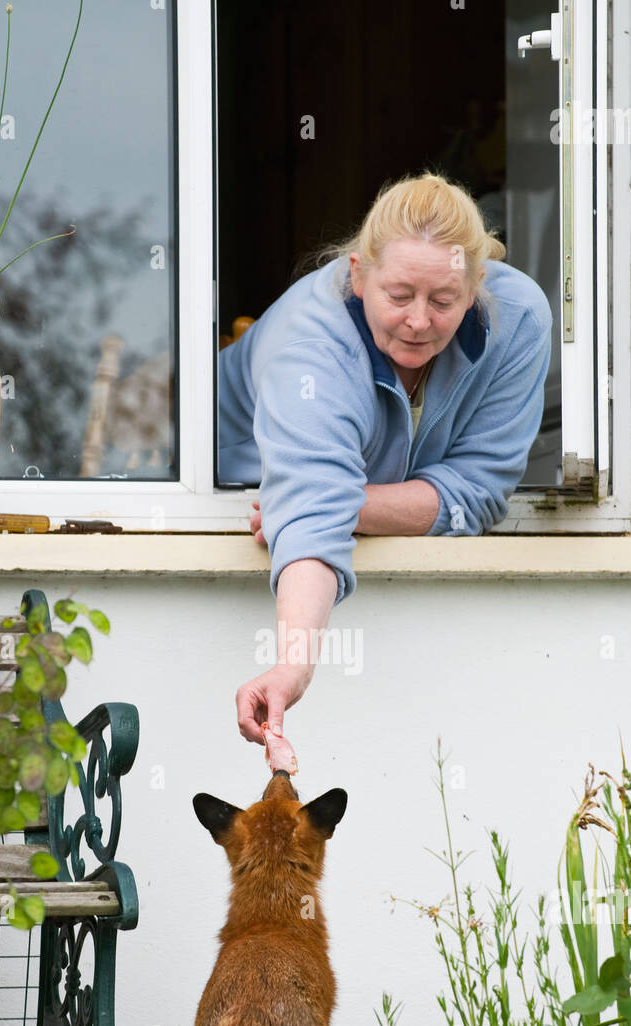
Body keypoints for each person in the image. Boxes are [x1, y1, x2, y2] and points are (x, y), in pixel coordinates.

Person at [219, 171, 552, 750]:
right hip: (220, 476)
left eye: (444, 300)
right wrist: (291, 669)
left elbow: (478, 491)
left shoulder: (519, 318)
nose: (419, 321)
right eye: (398, 296)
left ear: (474, 289)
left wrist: (334, 502)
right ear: (357, 274)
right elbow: (308, 533)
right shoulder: (309, 347)